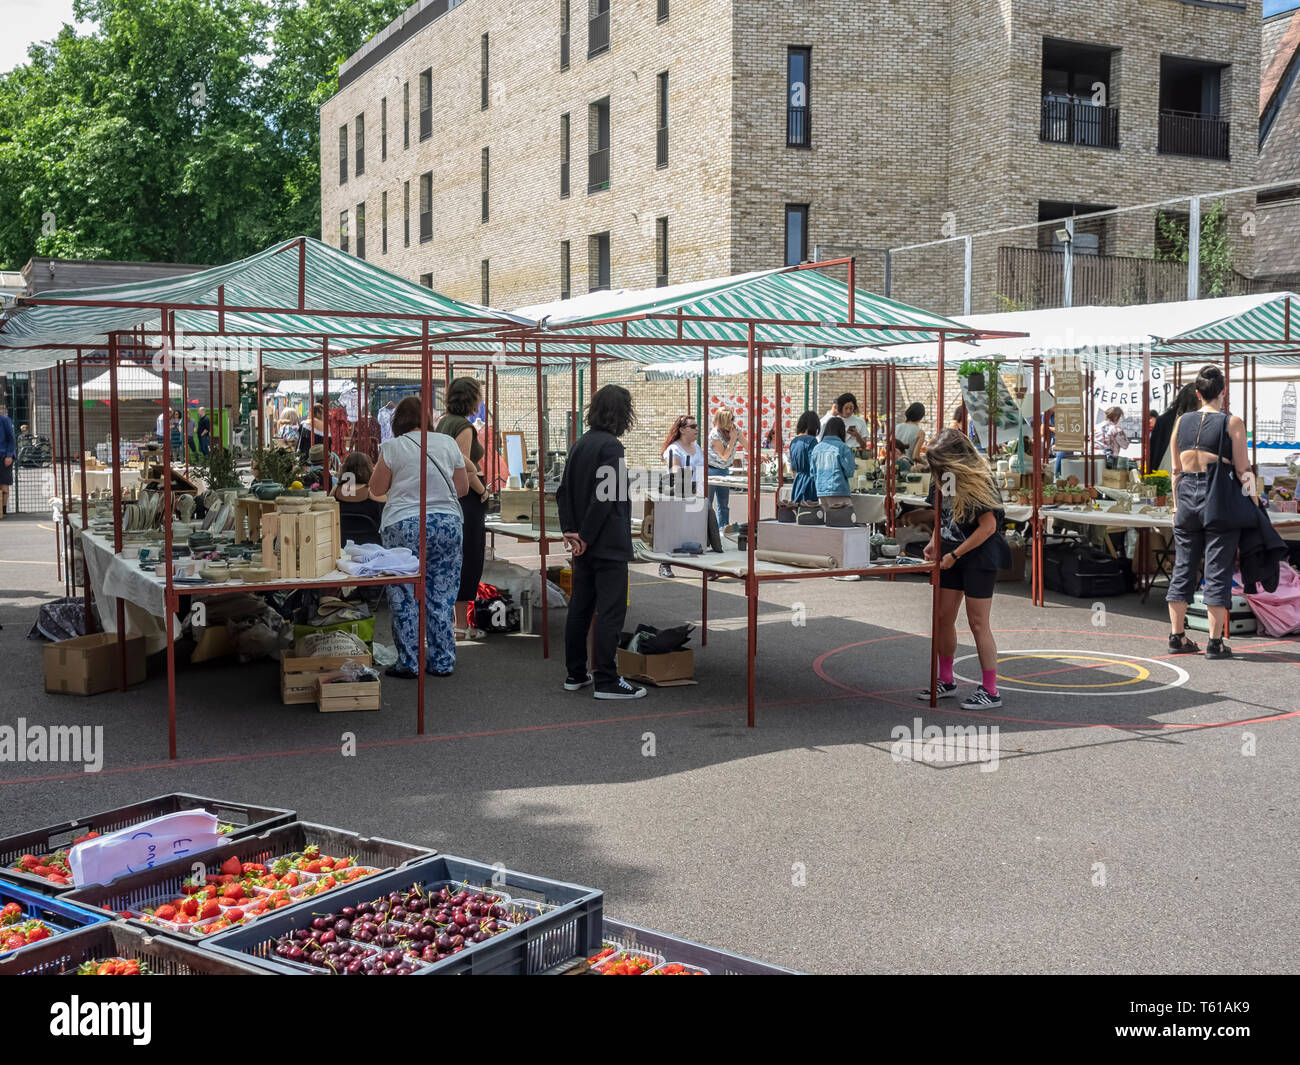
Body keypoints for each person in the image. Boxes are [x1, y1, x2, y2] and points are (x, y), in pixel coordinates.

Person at [901, 428, 1011, 709]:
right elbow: (941, 514)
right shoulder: (942, 477)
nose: (935, 468)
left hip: (979, 555)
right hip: (951, 553)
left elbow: (989, 527)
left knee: (977, 623)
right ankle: (947, 680)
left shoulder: (979, 480)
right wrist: (934, 542)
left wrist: (955, 554)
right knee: (943, 618)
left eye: (940, 462)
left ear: (955, 458)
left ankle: (990, 690)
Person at [367, 396, 469, 679]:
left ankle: (409, 662)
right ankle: (442, 660)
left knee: (404, 593)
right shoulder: (447, 443)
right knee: (442, 592)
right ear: (427, 419)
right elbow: (461, 488)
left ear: (397, 421)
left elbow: (375, 488)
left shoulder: (392, 447)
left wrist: (404, 494)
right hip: (447, 523)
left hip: (403, 524)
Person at [556, 384, 646, 700]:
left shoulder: (580, 444)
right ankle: (606, 679)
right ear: (622, 414)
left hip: (585, 543)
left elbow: (562, 491)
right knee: (610, 611)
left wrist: (573, 533)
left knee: (580, 607)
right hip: (606, 543)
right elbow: (605, 497)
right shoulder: (611, 447)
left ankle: (575, 673)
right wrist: (586, 535)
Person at [1166, 365, 1255, 661]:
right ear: (1223, 391)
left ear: (1197, 392)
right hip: (1218, 498)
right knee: (1218, 568)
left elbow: (1175, 470)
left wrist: (1177, 506)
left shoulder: (1182, 421)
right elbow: (1243, 470)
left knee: (1183, 566)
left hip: (1186, 495)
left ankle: (1177, 636)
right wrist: (1255, 500)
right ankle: (1215, 643)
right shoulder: (1233, 422)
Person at [436, 377, 491, 641]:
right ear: (472, 398)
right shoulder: (465, 427)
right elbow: (463, 465)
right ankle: (460, 625)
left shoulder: (442, 422)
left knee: (448, 560)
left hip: (445, 497)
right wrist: (483, 491)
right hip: (466, 498)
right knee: (468, 558)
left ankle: (452, 624)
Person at [657, 413, 706, 578]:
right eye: (693, 426)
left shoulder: (697, 447)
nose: (696, 429)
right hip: (679, 494)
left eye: (696, 426)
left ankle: (706, 568)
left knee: (697, 531)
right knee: (674, 532)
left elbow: (701, 471)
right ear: (682, 430)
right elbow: (675, 470)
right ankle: (665, 565)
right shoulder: (674, 449)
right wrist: (687, 488)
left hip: (697, 495)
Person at [332, 450, 386, 545]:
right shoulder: (374, 492)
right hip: (371, 544)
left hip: (341, 543)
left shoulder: (336, 490)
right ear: (368, 469)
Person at [1148, 383, 1199, 477]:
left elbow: (1153, 449)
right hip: (1180, 473)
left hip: (1162, 471)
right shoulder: (1198, 420)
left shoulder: (1163, 419)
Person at [706, 408, 745, 529]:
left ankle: (723, 527)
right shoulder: (714, 434)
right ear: (723, 421)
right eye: (730, 419)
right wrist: (733, 439)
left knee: (723, 503)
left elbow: (747, 444)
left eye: (733, 418)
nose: (732, 422)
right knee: (708, 503)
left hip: (724, 470)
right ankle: (707, 529)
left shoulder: (735, 429)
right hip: (711, 470)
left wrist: (760, 455)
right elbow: (724, 456)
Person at [811, 416, 855, 506]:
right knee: (843, 518)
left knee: (826, 519)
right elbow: (849, 472)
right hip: (839, 490)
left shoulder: (817, 448)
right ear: (842, 431)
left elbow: (812, 474)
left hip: (821, 491)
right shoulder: (843, 448)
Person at [788, 410, 820, 503]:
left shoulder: (794, 441)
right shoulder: (812, 441)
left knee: (798, 511)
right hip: (810, 482)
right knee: (810, 512)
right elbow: (814, 465)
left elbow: (793, 468)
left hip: (797, 481)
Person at [895, 402, 927, 469]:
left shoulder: (896, 427)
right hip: (906, 468)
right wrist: (926, 464)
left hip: (892, 466)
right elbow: (915, 457)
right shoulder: (920, 433)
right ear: (921, 416)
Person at [0, 402, 14, 519]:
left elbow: (11, 438)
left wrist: (9, 455)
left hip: (3, 456)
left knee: (4, 484)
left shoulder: (4, 420)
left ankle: (3, 509)